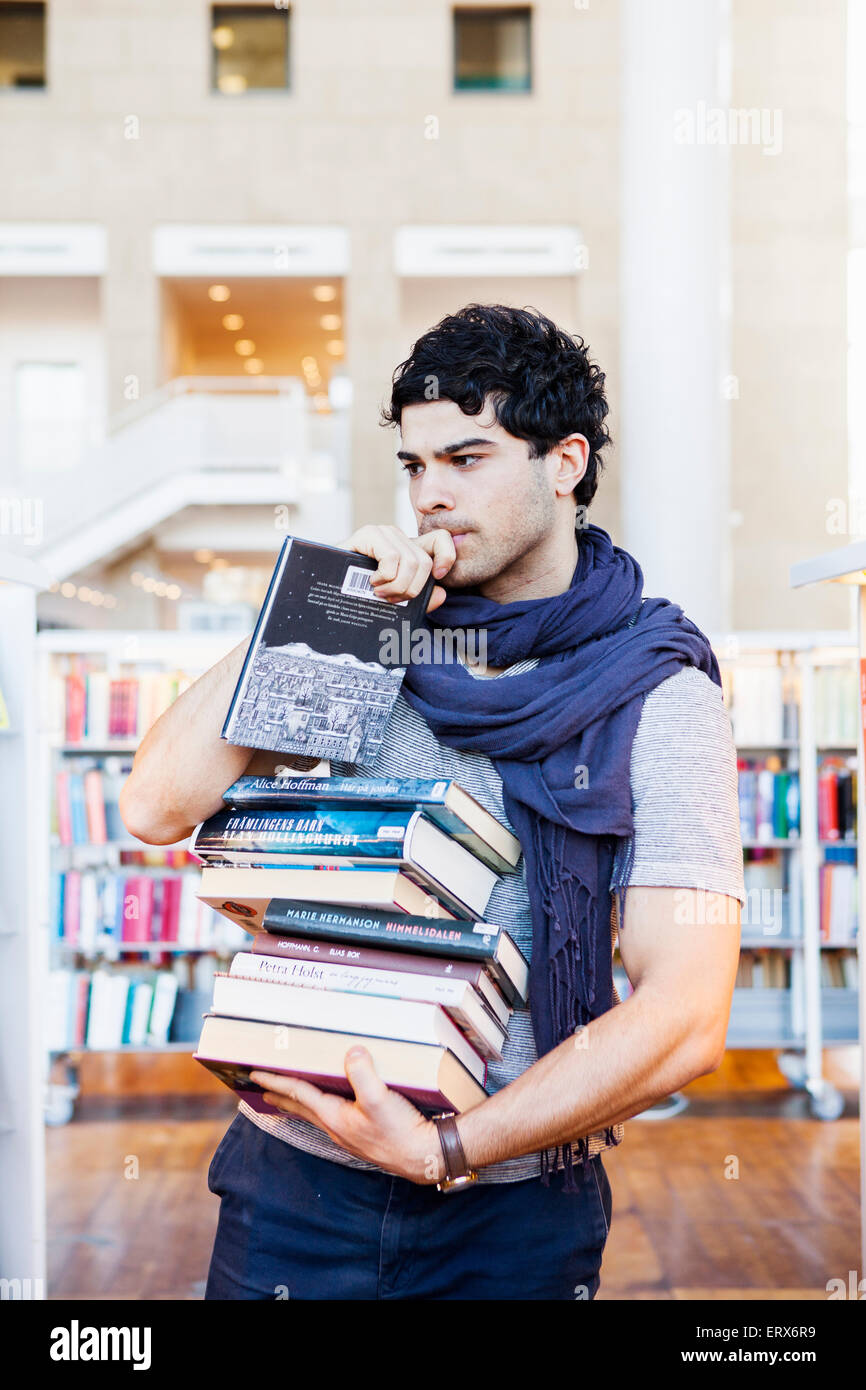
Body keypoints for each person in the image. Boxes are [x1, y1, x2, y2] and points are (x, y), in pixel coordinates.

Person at [119, 303, 745, 1301]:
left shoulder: (657, 689)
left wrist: (445, 1146)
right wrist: (323, 601)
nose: (430, 498)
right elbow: (153, 805)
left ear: (564, 461)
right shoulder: (370, 635)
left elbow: (684, 1013)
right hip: (294, 1178)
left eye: (465, 459)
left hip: (509, 1210)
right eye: (414, 468)